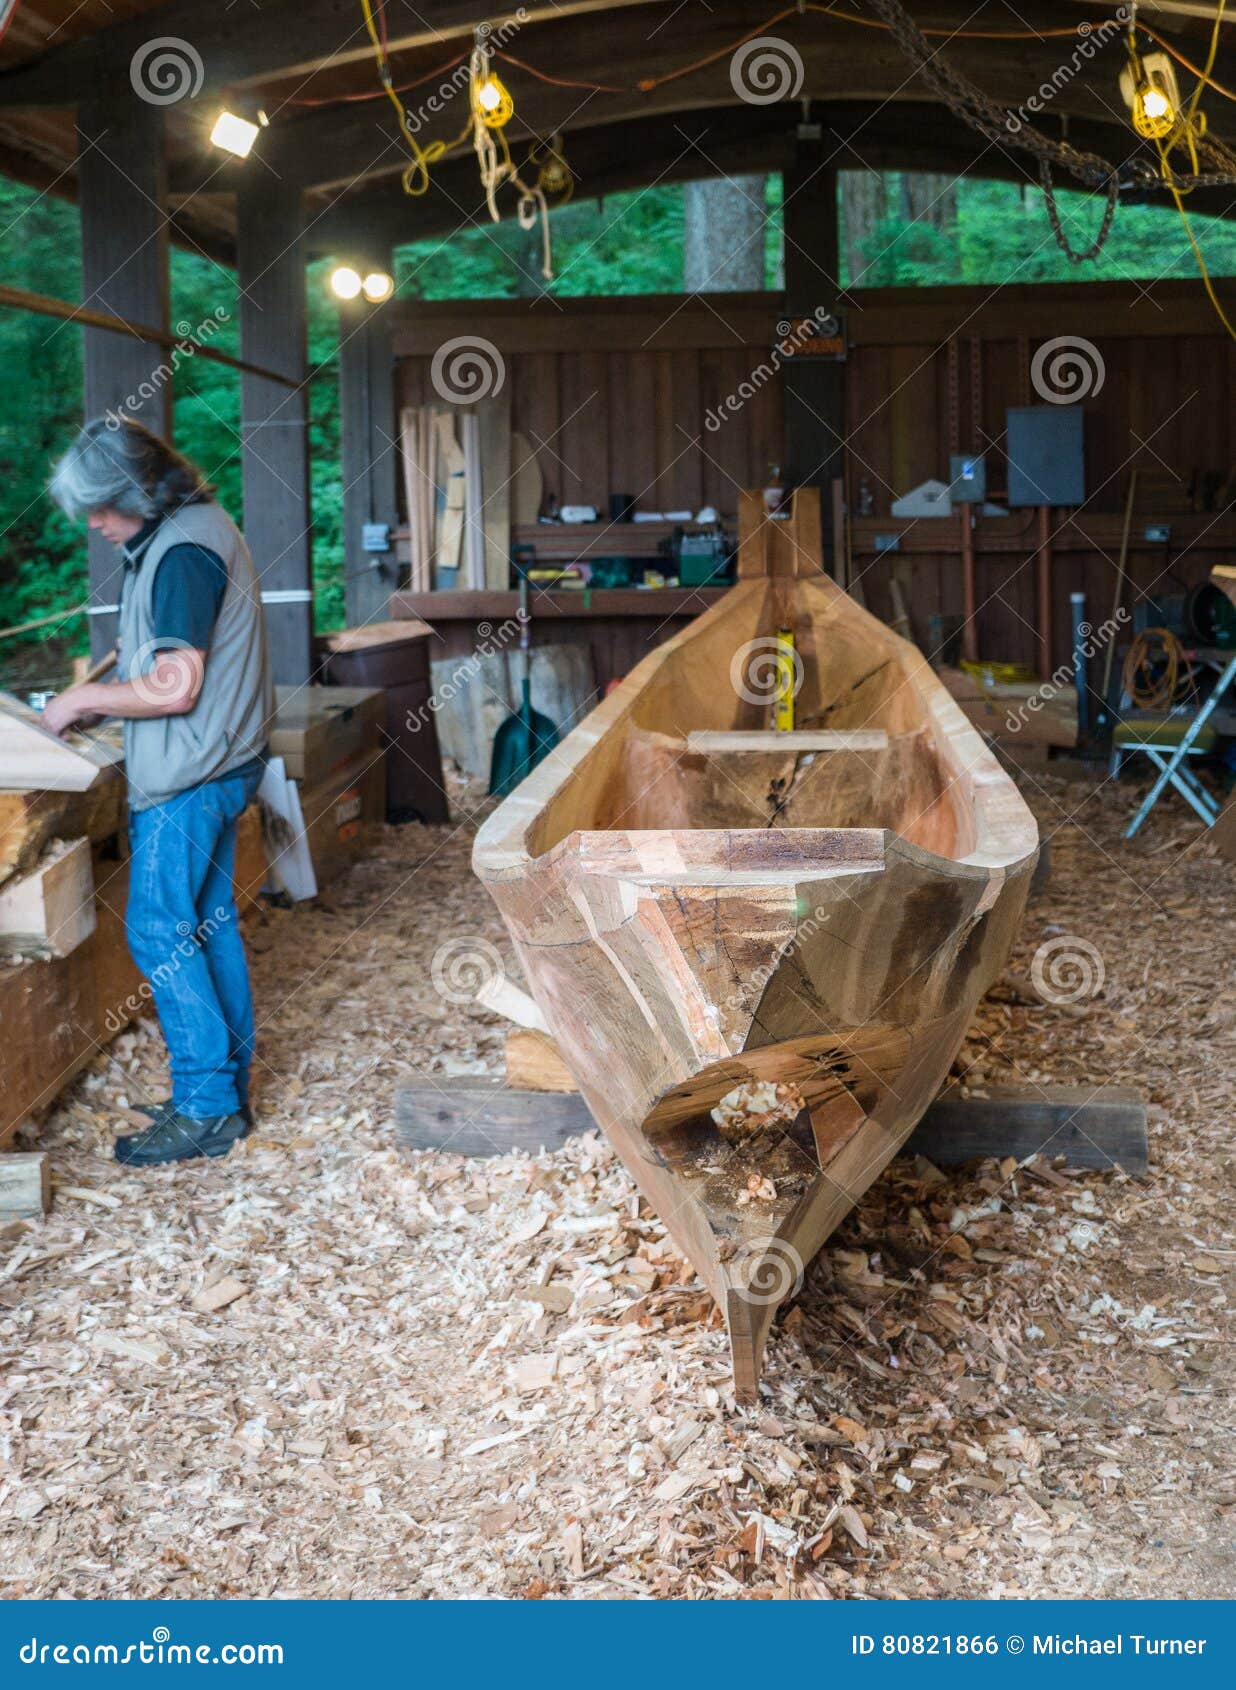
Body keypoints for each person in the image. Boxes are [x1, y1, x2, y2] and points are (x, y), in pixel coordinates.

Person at [44, 418, 273, 1167]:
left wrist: (83, 703)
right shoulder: (183, 533)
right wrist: (100, 695)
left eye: (104, 507)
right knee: (206, 923)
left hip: (191, 774)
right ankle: (222, 1095)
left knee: (156, 929)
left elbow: (177, 686)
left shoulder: (180, 552)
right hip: (216, 763)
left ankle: (206, 1106)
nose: (96, 524)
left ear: (140, 490)